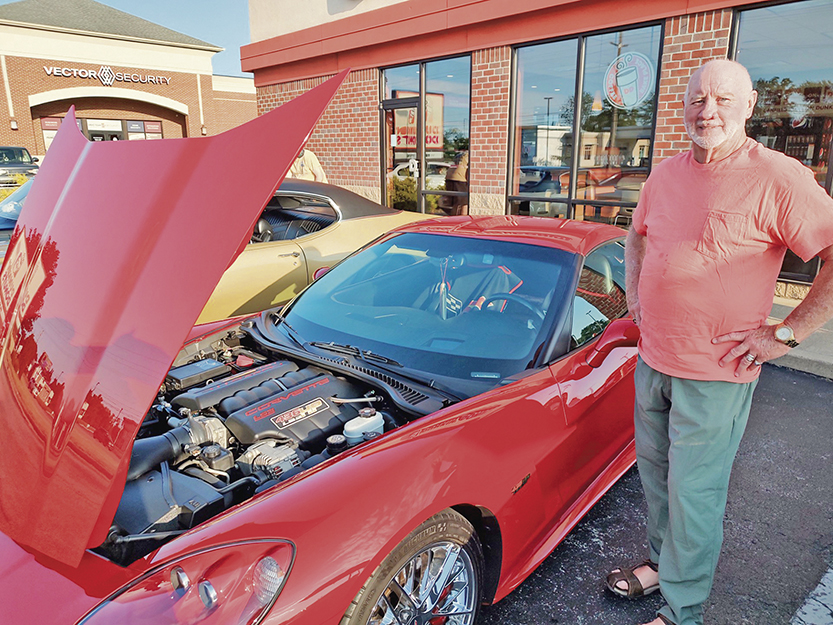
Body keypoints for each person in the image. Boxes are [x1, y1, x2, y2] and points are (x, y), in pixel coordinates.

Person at [607, 59, 833, 625]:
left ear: (750, 106)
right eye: (696, 100)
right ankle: (662, 563)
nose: (707, 111)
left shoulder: (779, 177)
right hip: (655, 356)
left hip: (718, 370)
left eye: (723, 100)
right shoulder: (666, 174)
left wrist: (787, 332)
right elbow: (635, 237)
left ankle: (683, 609)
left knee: (694, 492)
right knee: (655, 475)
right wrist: (635, 293)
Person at [442, 151, 469, 215]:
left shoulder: (462, 154)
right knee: (464, 202)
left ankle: (454, 219)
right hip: (459, 178)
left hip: (450, 176)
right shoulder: (471, 154)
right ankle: (463, 220)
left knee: (456, 202)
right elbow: (469, 172)